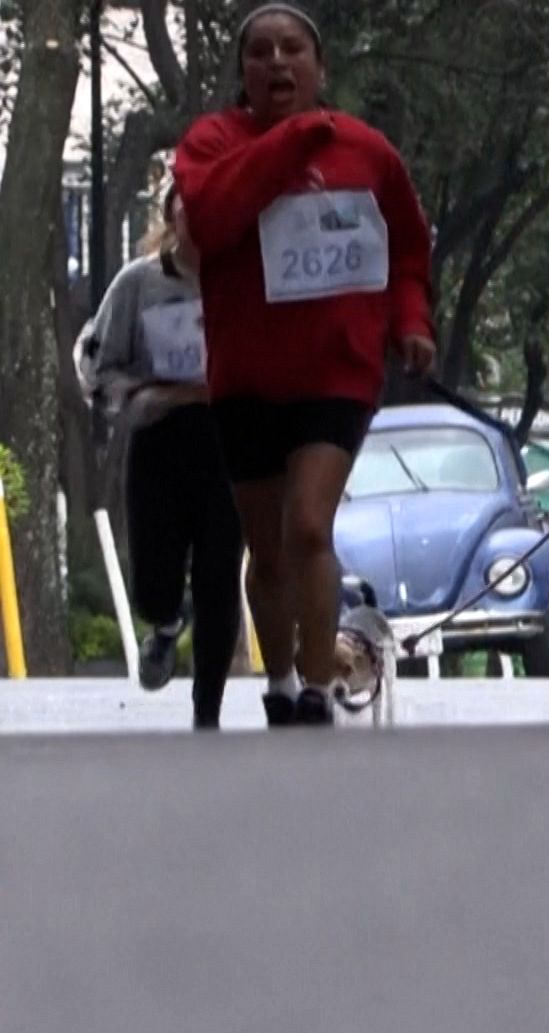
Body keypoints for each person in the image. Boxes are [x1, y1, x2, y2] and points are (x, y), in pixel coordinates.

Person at [172, 2, 435, 727]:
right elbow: (215, 215)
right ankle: (281, 679)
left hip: (337, 370)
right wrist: (290, 141)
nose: (278, 63)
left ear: (320, 68)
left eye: (294, 50)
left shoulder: (366, 150)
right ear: (242, 72)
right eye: (261, 52)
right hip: (247, 373)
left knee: (309, 528)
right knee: (267, 546)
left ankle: (319, 689)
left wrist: (411, 322)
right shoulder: (211, 142)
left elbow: (409, 250)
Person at [76, 186, 243, 730]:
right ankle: (166, 625)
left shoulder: (243, 281)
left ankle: (207, 710)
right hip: (159, 441)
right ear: (172, 212)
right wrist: (150, 395)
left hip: (226, 443)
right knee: (154, 574)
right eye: (188, 204)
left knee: (220, 574)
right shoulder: (140, 282)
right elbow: (96, 361)